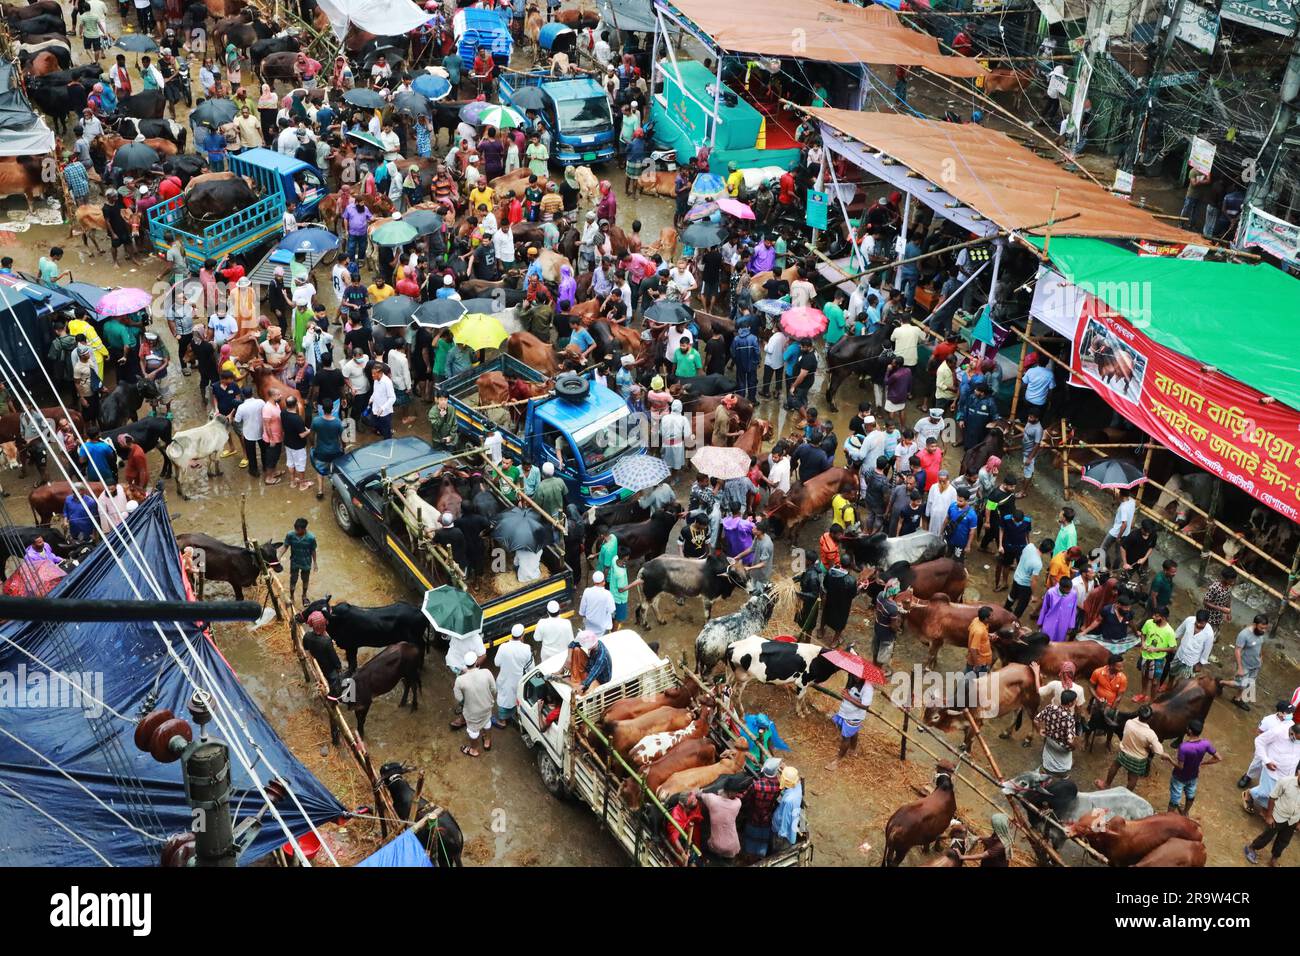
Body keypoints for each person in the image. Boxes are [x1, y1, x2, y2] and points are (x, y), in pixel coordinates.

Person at [1097, 705, 1170, 791]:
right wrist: (1150, 747)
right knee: (1132, 778)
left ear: (1138, 714)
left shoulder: (1129, 723)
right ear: (1150, 718)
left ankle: (1106, 784)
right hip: (1138, 759)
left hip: (1124, 753)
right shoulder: (1150, 734)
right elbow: (1159, 751)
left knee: (1114, 766)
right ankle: (1127, 795)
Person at [1245, 765, 1300, 866]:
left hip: (1292, 820)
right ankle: (1251, 847)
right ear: (1299, 772)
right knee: (1267, 836)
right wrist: (1269, 816)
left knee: (1284, 841)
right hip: (1278, 816)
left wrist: (1298, 822)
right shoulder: (1286, 782)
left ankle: (1274, 859)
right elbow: (1272, 797)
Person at [1168, 718, 1219, 816]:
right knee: (1190, 796)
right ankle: (1185, 813)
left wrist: (1169, 758)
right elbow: (1218, 758)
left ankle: (1168, 818)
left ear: (1190, 731)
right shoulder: (1206, 743)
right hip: (1193, 776)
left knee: (1174, 800)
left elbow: (1180, 767)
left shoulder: (1183, 747)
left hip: (1179, 777)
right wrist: (1203, 763)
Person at [454, 651, 497, 758]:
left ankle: (474, 750)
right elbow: (494, 690)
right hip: (487, 707)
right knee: (487, 722)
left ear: (465, 665)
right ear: (476, 662)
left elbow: (459, 698)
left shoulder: (460, 680)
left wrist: (467, 701)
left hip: (472, 712)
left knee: (473, 731)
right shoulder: (486, 672)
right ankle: (487, 742)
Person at [739, 757, 782, 862]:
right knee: (761, 841)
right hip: (767, 817)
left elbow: (745, 797)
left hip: (753, 816)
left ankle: (748, 858)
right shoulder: (778, 785)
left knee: (750, 839)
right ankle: (760, 857)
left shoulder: (756, 784)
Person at [827, 674, 872, 770]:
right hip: (844, 712)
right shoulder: (852, 677)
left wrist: (849, 698)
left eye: (857, 676)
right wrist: (845, 692)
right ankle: (853, 749)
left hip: (854, 717)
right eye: (853, 675)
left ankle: (838, 760)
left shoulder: (868, 688)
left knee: (845, 737)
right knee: (852, 732)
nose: (855, 677)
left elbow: (865, 706)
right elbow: (848, 692)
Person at [493, 623, 534, 727]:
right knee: (517, 697)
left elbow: (496, 663)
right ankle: (516, 714)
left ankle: (502, 721)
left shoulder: (503, 646)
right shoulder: (526, 648)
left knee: (504, 699)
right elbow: (531, 668)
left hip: (504, 679)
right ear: (522, 635)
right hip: (518, 680)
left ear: (511, 635)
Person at [1165, 609, 1214, 689]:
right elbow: (1178, 632)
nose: (1198, 624)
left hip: (1191, 661)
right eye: (1197, 621)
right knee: (1172, 670)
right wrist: (1170, 644)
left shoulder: (1209, 634)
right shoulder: (1189, 620)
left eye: (1201, 623)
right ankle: (1169, 685)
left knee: (1185, 680)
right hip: (1180, 653)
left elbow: (1207, 650)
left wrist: (1200, 664)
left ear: (1206, 622)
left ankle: (1177, 690)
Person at [1136, 607, 1177, 703]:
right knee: (1144, 676)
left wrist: (1157, 649)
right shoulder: (1149, 623)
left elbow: (1173, 648)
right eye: (1154, 615)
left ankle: (1152, 700)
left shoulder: (1169, 631)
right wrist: (1143, 643)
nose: (1153, 617)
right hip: (1145, 656)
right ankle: (1143, 694)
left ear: (1163, 618)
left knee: (1155, 682)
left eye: (1156, 616)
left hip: (1159, 660)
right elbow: (1143, 633)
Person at [1034, 688, 1077, 777]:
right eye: (1074, 701)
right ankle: (1062, 774)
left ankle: (1047, 770)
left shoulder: (1050, 707)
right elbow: (1069, 741)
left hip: (1049, 740)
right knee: (1064, 769)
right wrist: (1073, 747)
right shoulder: (1069, 718)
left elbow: (1036, 720)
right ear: (1070, 704)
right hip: (1061, 746)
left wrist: (1039, 730)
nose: (1075, 702)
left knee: (1048, 760)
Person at [1231, 614, 1270, 710]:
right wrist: (1240, 668)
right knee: (1240, 684)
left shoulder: (1260, 633)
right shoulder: (1244, 634)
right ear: (1254, 624)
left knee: (1249, 683)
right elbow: (1237, 650)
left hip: (1256, 664)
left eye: (1265, 628)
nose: (1264, 631)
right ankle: (1221, 682)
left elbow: (1260, 645)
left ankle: (1238, 699)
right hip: (1245, 664)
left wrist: (1261, 656)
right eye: (1261, 628)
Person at [1006, 538, 1052, 619]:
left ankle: (1006, 608)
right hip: (1024, 584)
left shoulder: (1029, 546)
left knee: (1012, 595)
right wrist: (1033, 595)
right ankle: (1014, 620)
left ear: (1041, 543)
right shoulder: (1038, 563)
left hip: (1016, 576)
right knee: (1022, 604)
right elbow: (1033, 580)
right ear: (1048, 552)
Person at [1099, 488, 1136, 571]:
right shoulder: (1132, 501)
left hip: (1115, 532)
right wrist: (1117, 499)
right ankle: (1115, 569)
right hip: (1126, 533)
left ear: (1121, 495)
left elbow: (1124, 524)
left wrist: (1118, 537)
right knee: (1119, 553)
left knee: (1102, 549)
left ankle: (1107, 565)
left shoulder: (1123, 508)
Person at [283, 518, 317, 604]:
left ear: (304, 529)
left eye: (298, 530)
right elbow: (285, 546)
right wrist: (278, 556)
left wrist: (315, 563)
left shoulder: (311, 538)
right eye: (295, 529)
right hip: (294, 562)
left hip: (306, 563)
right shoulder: (290, 535)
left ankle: (304, 596)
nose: (296, 531)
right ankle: (291, 596)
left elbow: (313, 550)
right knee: (293, 579)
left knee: (305, 580)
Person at [1036, 575, 1077, 643]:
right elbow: (1044, 608)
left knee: (1059, 641)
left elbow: (1073, 610)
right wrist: (1040, 622)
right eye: (1067, 591)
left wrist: (1071, 625)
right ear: (1061, 587)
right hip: (1049, 621)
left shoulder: (1073, 594)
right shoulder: (1051, 592)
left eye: (1070, 589)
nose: (1069, 592)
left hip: (1063, 623)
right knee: (1045, 639)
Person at [534, 600, 574, 664]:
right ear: (559, 611)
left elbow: (537, 638)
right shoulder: (566, 623)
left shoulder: (541, 623)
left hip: (547, 658)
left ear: (548, 612)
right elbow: (571, 642)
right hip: (563, 657)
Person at [579, 571, 616, 636]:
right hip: (603, 630)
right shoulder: (607, 594)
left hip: (589, 629)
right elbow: (612, 610)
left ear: (593, 581)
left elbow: (582, 611)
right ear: (603, 582)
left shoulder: (587, 591)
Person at [966, 606, 994, 676]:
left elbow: (971, 630)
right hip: (980, 662)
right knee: (970, 680)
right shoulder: (979, 631)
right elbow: (973, 649)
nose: (993, 617)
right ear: (986, 619)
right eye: (991, 616)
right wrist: (976, 665)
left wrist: (987, 636)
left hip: (983, 661)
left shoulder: (976, 620)